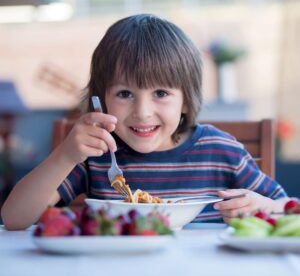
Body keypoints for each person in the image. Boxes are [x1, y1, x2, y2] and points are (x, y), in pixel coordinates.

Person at [1, 14, 289, 230]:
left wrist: (264, 206)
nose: (142, 111)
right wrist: (64, 156)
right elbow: (14, 220)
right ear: (101, 99)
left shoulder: (221, 151)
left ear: (186, 100)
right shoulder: (96, 155)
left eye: (160, 93)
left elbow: (289, 208)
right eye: (125, 93)